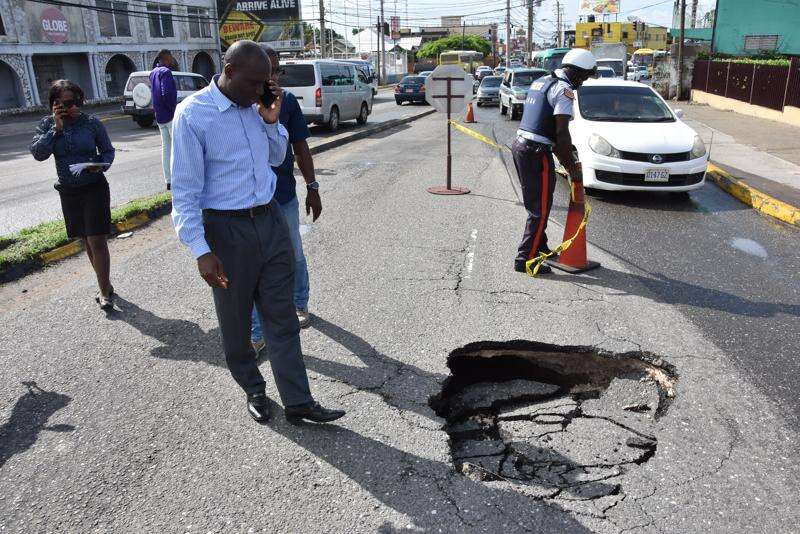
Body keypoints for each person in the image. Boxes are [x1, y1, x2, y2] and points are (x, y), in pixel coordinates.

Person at [170, 40, 345, 425]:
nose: (260, 91)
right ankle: (254, 388)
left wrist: (270, 121)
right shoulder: (193, 115)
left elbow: (276, 157)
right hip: (226, 230)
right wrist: (200, 250)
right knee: (236, 324)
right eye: (253, 83)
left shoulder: (257, 106)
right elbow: (184, 192)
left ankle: (298, 401)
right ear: (229, 71)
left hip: (270, 220)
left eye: (265, 83)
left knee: (282, 317)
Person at [250, 44, 321, 355]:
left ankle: (299, 302)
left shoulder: (287, 101)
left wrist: (313, 187)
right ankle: (256, 331)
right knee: (252, 266)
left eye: (275, 71)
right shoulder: (237, 103)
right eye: (265, 71)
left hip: (282, 195)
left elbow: (300, 147)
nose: (271, 78)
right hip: (248, 201)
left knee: (293, 253)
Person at [30, 80, 116, 309]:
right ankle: (105, 283)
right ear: (55, 104)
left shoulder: (91, 123)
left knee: (97, 239)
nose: (74, 107)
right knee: (86, 239)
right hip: (69, 191)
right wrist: (55, 129)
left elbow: (108, 151)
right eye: (67, 103)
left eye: (77, 101)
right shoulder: (47, 124)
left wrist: (100, 164)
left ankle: (104, 291)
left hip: (94, 187)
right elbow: (38, 153)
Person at [511, 49, 596, 275]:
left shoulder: (542, 81)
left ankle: (540, 247)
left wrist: (563, 154)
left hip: (521, 146)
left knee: (536, 205)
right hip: (536, 151)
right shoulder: (563, 89)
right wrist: (571, 167)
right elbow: (561, 134)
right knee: (539, 210)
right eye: (584, 76)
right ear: (576, 72)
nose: (583, 82)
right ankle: (526, 259)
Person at [149, 49, 177, 191]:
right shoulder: (166, 72)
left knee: (166, 148)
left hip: (159, 115)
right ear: (166, 58)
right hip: (170, 115)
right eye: (171, 57)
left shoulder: (153, 72)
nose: (172, 60)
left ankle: (169, 180)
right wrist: (173, 108)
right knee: (177, 147)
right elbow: (166, 93)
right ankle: (178, 178)